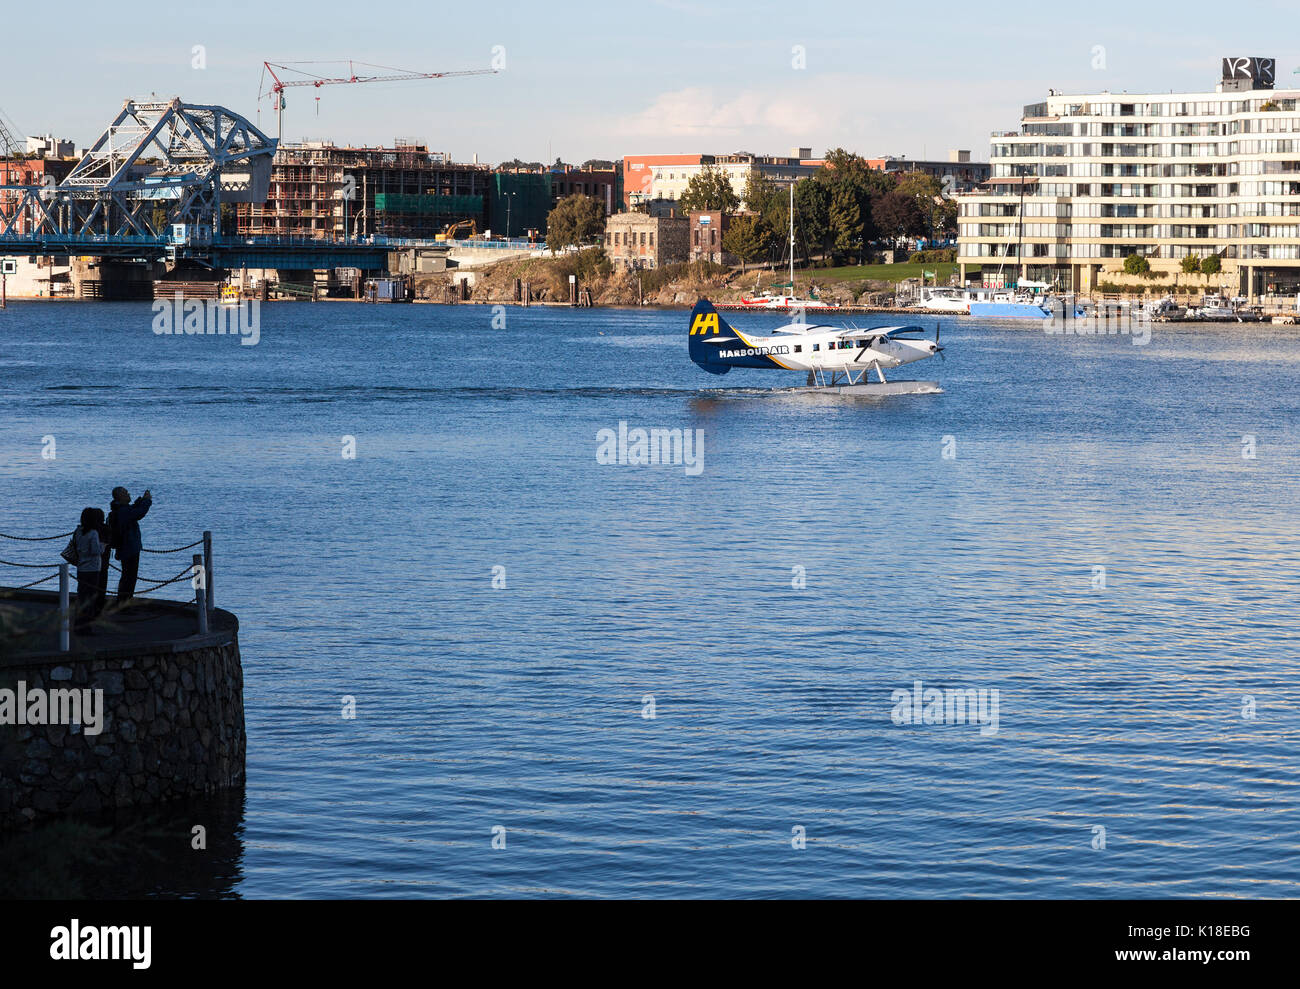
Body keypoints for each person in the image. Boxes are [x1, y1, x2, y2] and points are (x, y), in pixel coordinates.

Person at [108, 486, 152, 606]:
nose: (128, 494)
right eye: (126, 492)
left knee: (127, 576)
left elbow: (132, 510)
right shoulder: (122, 511)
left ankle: (123, 602)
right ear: (120, 496)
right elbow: (138, 513)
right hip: (128, 547)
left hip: (126, 547)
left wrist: (141, 500)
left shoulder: (121, 509)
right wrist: (147, 501)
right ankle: (124, 604)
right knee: (129, 577)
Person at [70, 508, 104, 634]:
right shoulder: (93, 533)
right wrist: (103, 547)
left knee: (82, 596)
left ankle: (78, 624)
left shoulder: (78, 531)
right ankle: (86, 626)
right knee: (90, 597)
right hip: (93, 568)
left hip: (81, 567)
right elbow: (95, 551)